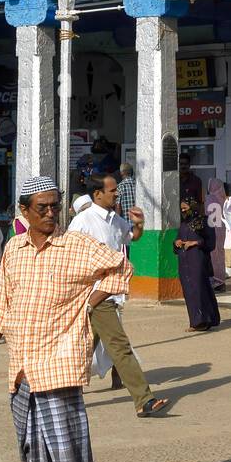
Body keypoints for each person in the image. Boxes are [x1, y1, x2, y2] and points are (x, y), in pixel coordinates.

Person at [0, 176, 132, 462]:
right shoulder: (13, 248)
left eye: (54, 206)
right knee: (30, 443)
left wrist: (90, 302)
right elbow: (5, 301)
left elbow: (120, 268)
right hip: (23, 363)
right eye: (41, 208)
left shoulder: (76, 245)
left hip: (60, 358)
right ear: (24, 211)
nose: (49, 213)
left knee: (66, 445)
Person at [69, 174, 169, 416]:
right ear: (97, 194)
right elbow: (70, 258)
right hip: (94, 294)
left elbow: (131, 237)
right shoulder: (83, 221)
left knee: (82, 349)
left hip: (109, 295)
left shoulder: (114, 219)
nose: (117, 194)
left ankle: (64, 394)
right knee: (119, 346)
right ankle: (144, 400)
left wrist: (139, 224)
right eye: (112, 190)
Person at [174, 196, 221, 332]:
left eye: (185, 208)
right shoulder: (183, 224)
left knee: (200, 290)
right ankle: (195, 321)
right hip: (184, 263)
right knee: (189, 292)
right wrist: (177, 242)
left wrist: (195, 243)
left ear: (193, 206)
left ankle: (204, 321)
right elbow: (177, 240)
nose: (183, 211)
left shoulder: (205, 222)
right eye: (181, 209)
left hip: (198, 262)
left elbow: (211, 243)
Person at [205, 177, 228, 288]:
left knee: (211, 255)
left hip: (210, 229)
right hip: (221, 230)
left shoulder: (209, 198)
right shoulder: (223, 199)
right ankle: (221, 279)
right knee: (220, 253)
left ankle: (214, 279)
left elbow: (206, 214)